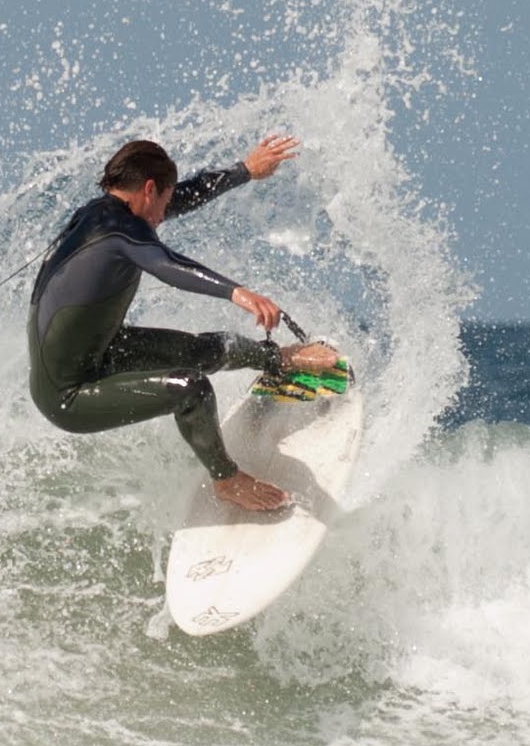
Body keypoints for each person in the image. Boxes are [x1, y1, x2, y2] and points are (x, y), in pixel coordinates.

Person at [26, 136, 341, 512]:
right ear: (148, 189)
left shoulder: (104, 215)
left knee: (207, 349)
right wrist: (236, 292)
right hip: (69, 395)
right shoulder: (121, 231)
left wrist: (245, 171)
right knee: (191, 388)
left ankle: (278, 360)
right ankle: (227, 480)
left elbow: (182, 197)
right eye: (162, 201)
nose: (163, 215)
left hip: (101, 352)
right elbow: (166, 264)